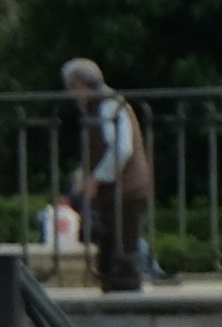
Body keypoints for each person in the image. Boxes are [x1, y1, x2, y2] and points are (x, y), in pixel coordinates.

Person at [60, 58, 154, 292]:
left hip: (126, 190)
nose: (70, 94)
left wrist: (96, 178)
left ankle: (125, 297)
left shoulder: (107, 104)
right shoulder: (99, 105)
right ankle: (117, 291)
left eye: (71, 88)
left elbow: (121, 149)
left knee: (122, 250)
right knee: (113, 248)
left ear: (78, 84)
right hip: (117, 190)